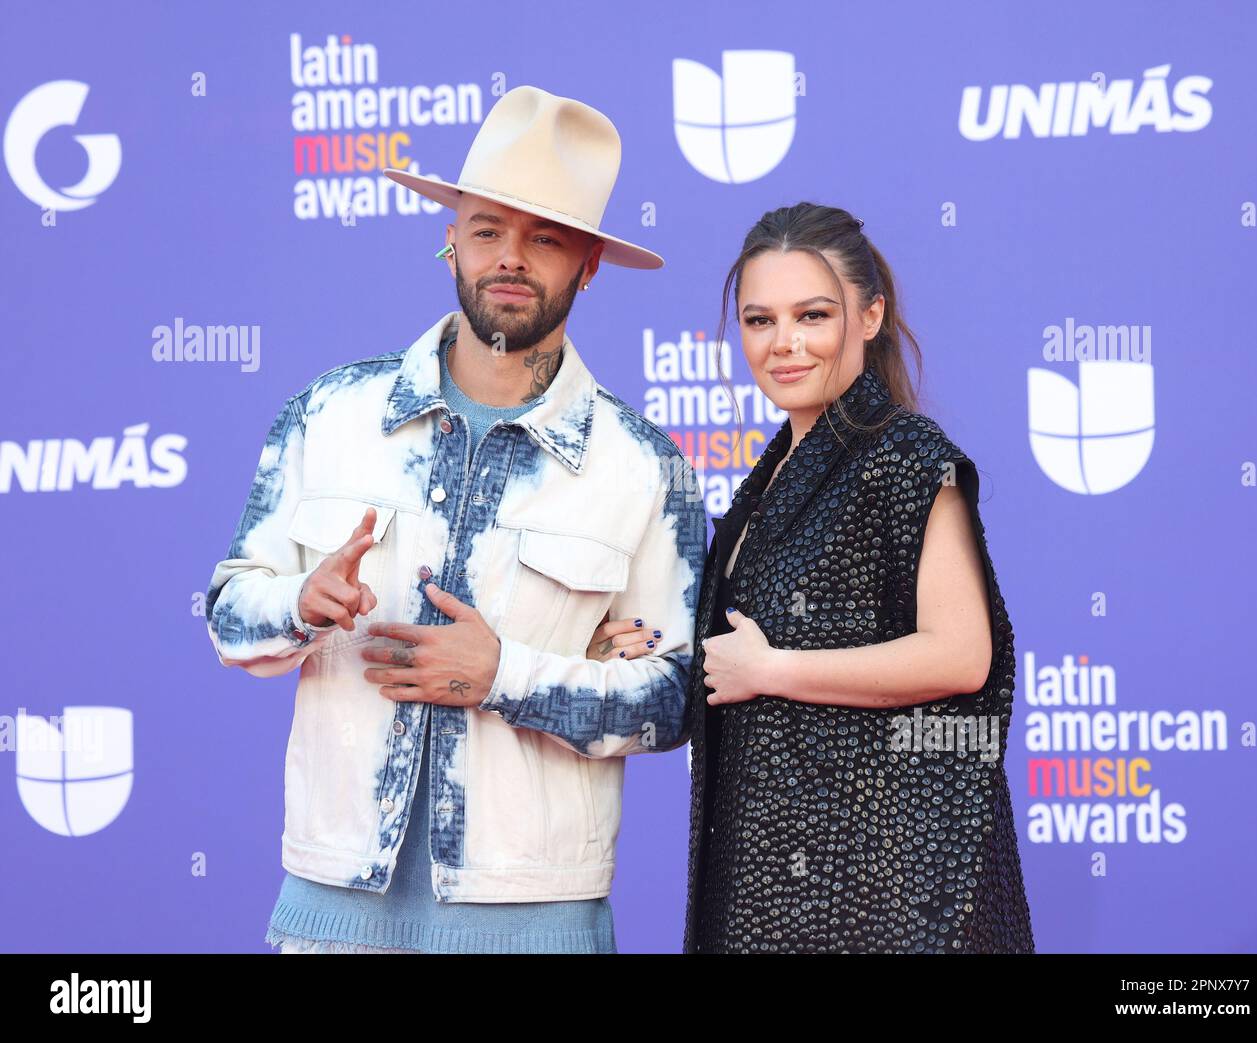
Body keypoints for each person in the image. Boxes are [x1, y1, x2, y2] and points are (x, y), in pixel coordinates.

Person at [203, 85, 706, 954]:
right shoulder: (329, 414)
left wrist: (506, 674)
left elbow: (671, 698)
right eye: (486, 230)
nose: (510, 258)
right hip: (331, 919)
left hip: (536, 922)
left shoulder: (643, 467)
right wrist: (299, 602)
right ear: (449, 244)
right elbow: (226, 614)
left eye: (544, 237)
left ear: (588, 263)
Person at [679, 202, 1035, 953]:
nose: (784, 343)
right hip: (777, 886)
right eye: (758, 320)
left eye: (812, 314)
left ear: (869, 316)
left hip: (888, 898)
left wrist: (774, 668)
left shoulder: (904, 454)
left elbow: (961, 655)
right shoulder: (773, 475)